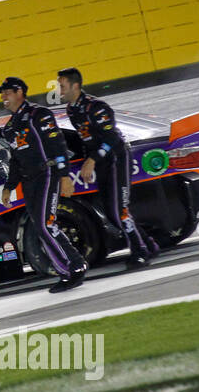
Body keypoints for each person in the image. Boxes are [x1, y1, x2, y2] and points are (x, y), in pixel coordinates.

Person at [0, 75, 87, 291]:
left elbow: (58, 144)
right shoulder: (9, 128)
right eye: (2, 94)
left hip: (47, 174)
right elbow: (15, 160)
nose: (3, 97)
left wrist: (64, 176)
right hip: (29, 181)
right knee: (41, 227)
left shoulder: (39, 114)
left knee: (46, 224)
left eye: (7, 92)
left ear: (19, 92)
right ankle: (65, 271)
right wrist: (9, 186)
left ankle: (75, 266)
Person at [58, 67, 159, 268]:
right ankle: (149, 244)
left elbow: (112, 137)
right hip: (102, 163)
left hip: (116, 160)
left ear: (75, 86)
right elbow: (86, 139)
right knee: (112, 213)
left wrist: (92, 160)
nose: (59, 90)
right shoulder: (72, 109)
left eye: (62, 86)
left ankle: (140, 252)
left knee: (119, 209)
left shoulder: (97, 107)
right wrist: (87, 160)